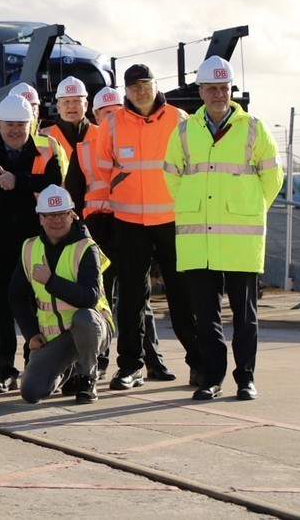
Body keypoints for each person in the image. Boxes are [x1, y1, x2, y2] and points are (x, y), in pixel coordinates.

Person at [164, 56, 282, 401]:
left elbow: (273, 177)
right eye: (211, 88)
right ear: (200, 91)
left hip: (240, 240)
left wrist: (250, 209)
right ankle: (211, 378)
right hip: (198, 238)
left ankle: (245, 378)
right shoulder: (185, 130)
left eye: (224, 88)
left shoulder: (254, 128)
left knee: (245, 316)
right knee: (206, 317)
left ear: (232, 90)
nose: (218, 94)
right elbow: (171, 174)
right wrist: (191, 205)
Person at [92, 63, 201, 391]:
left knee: (182, 295)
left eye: (145, 83)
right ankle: (130, 367)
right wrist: (121, 189)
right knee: (131, 298)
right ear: (125, 91)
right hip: (129, 220)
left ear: (156, 85)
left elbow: (193, 165)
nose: (140, 90)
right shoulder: (112, 123)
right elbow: (102, 167)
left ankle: (198, 362)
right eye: (134, 85)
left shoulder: (178, 119)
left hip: (170, 218)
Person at [0, 94, 63, 394]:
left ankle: (36, 365)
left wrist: (20, 181)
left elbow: (55, 187)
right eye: (9, 125)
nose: (15, 130)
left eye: (20, 124)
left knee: (38, 308)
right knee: (1, 312)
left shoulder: (46, 153)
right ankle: (4, 370)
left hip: (37, 246)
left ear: (31, 124)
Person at [84, 86, 175, 381]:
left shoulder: (170, 120)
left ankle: (155, 360)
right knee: (113, 300)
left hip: (145, 220)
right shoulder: (87, 146)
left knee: (146, 298)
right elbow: (77, 189)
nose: (110, 116)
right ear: (96, 115)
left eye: (114, 111)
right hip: (107, 229)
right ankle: (108, 361)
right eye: (103, 112)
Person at [10, 185, 113, 404]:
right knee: (31, 392)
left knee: (84, 317)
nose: (55, 221)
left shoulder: (86, 247)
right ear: (40, 218)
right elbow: (16, 296)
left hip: (92, 328)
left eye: (61, 214)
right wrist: (30, 334)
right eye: (49, 215)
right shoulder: (30, 248)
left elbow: (90, 298)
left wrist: (50, 281)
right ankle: (71, 371)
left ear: (71, 215)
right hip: (56, 337)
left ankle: (87, 377)